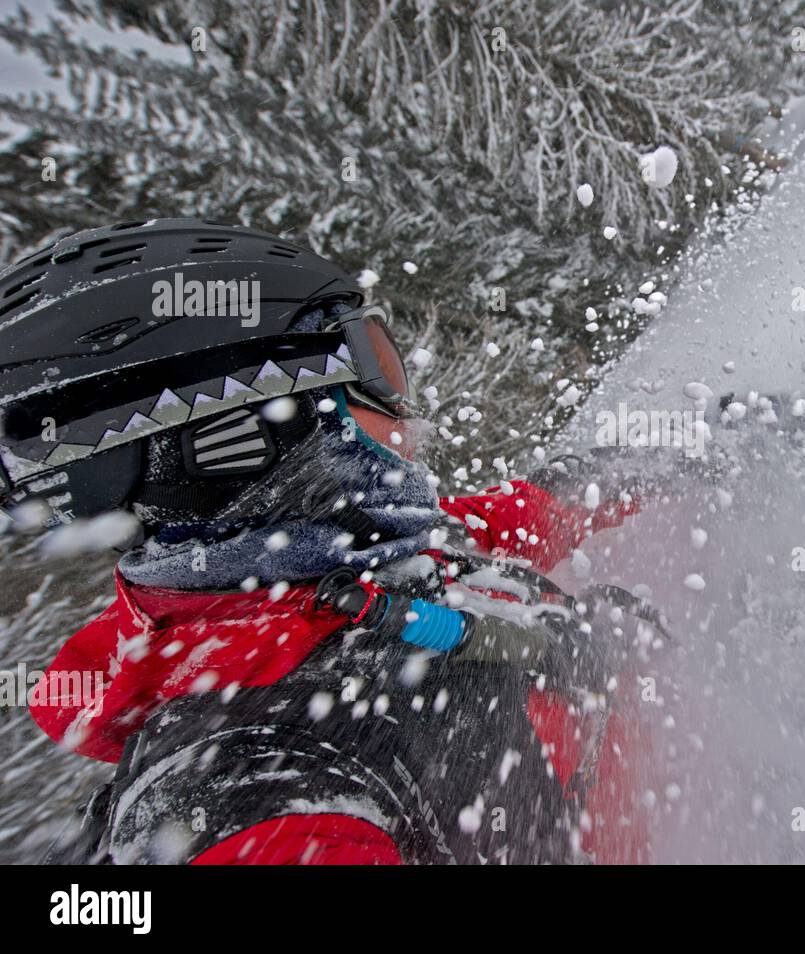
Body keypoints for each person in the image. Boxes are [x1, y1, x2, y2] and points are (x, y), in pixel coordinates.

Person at [0, 219, 660, 864]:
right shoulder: (261, 798)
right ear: (250, 434)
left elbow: (496, 525)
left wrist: (633, 472)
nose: (412, 417)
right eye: (376, 371)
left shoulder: (335, 584)